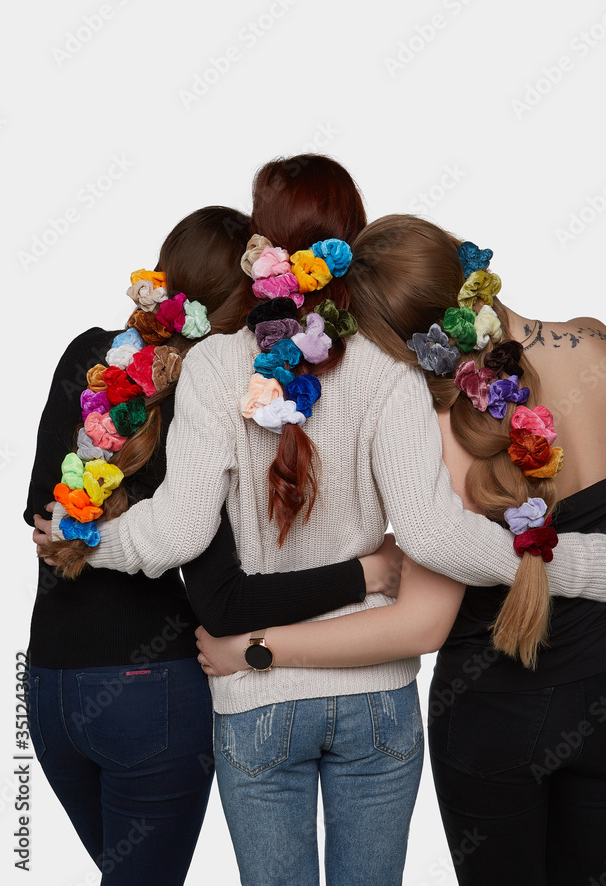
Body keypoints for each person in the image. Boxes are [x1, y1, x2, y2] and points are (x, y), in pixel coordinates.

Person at [42, 157, 606, 886]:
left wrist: (87, 540)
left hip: (258, 706)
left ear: (261, 248)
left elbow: (177, 535)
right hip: (375, 702)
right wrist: (570, 562)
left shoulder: (217, 365)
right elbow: (434, 533)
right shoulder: (391, 369)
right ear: (351, 244)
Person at [195, 214, 606, 886]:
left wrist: (254, 650)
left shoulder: (451, 427)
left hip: (497, 720)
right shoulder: (600, 344)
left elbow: (420, 624)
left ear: (415, 342)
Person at [27, 202, 401, 886]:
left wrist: (82, 532)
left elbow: (41, 519)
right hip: (153, 695)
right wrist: (367, 572)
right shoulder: (203, 393)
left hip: (50, 693)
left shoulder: (88, 353)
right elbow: (226, 602)